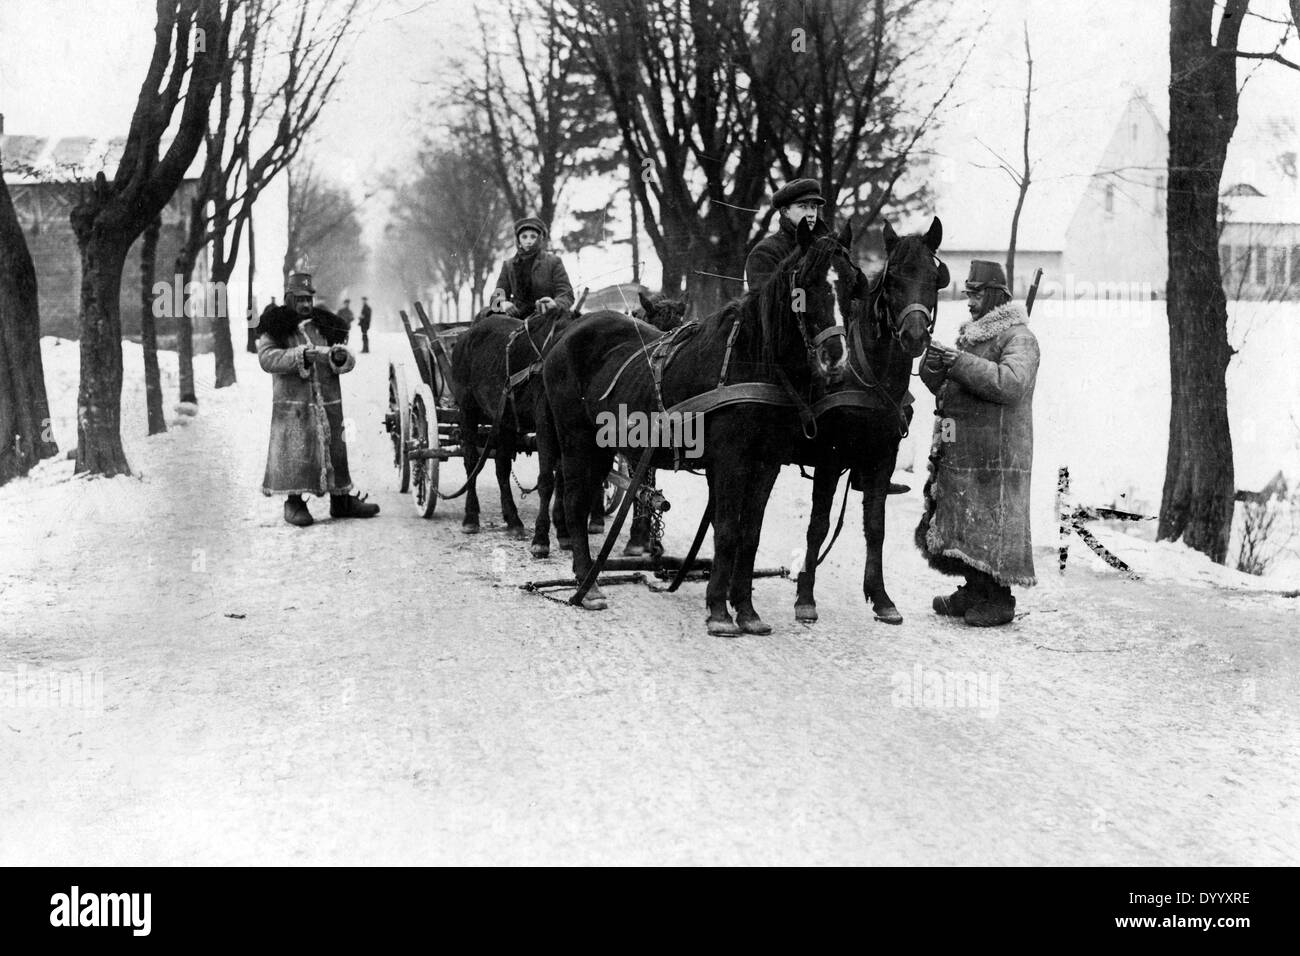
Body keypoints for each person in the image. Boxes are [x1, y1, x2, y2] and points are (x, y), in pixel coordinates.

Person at [915, 260, 1039, 626]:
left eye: (976, 293)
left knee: (992, 523)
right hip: (965, 449)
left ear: (996, 295)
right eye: (968, 293)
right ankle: (974, 588)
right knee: (964, 522)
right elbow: (946, 386)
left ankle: (999, 599)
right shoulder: (974, 336)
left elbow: (1011, 383)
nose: (969, 300)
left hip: (997, 455)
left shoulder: (1020, 338)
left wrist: (961, 361)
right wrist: (935, 364)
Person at [256, 272, 379, 527]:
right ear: (289, 298)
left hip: (328, 401)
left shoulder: (324, 323)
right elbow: (267, 358)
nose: (305, 304)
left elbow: (344, 355)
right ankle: (294, 502)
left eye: (308, 298)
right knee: (296, 450)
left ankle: (341, 500)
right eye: (299, 299)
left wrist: (340, 357)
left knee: (335, 446)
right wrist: (300, 356)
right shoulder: (276, 325)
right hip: (294, 405)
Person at [744, 178, 828, 291]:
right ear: (785, 212)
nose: (811, 214)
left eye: (813, 207)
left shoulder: (825, 250)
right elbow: (767, 303)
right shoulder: (765, 252)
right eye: (803, 206)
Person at [491, 217, 574, 319]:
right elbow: (497, 296)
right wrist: (503, 304)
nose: (528, 241)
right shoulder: (509, 265)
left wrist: (555, 304)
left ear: (540, 238)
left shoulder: (553, 262)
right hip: (517, 319)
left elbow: (566, 294)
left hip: (548, 318)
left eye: (533, 237)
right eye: (524, 237)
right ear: (518, 240)